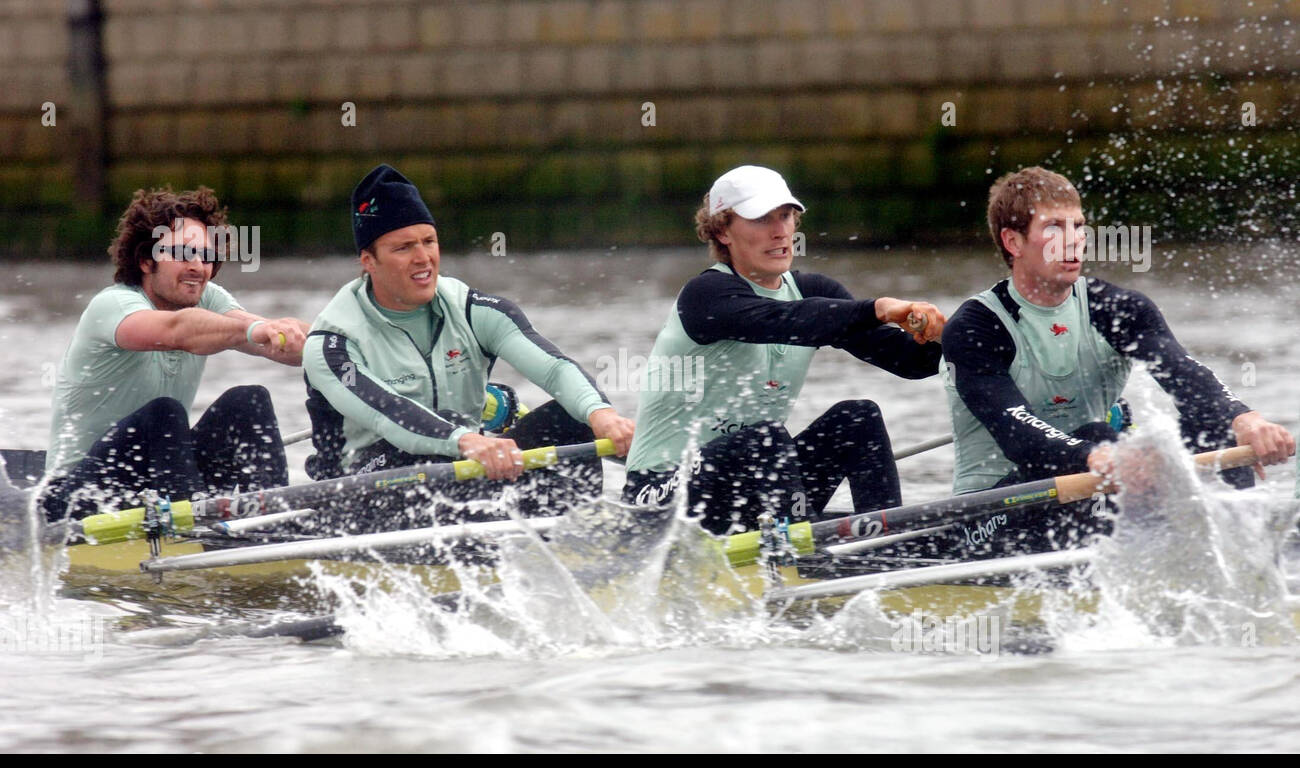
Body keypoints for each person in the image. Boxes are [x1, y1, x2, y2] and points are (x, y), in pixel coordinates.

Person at [941, 166, 1294, 546]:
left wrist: (1244, 419)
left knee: (1216, 427)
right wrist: (1096, 455)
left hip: (1096, 484)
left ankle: (1242, 550)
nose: (1073, 241)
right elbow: (1017, 433)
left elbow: (1183, 373)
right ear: (1014, 242)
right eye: (1054, 228)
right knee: (1101, 436)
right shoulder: (975, 328)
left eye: (1078, 227)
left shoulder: (1117, 308)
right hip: (992, 513)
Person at [622, 165, 946, 535]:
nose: (780, 231)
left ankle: (886, 549)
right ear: (723, 230)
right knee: (765, 438)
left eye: (787, 216)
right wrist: (877, 309)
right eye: (762, 219)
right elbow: (787, 320)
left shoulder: (812, 291)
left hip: (754, 489)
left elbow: (912, 361)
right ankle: (796, 560)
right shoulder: (705, 297)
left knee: (858, 418)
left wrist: (957, 334)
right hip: (658, 496)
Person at [301, 164, 634, 523]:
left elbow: (554, 369)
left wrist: (602, 415)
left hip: (460, 465)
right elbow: (390, 414)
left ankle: (569, 538)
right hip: (359, 491)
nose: (423, 258)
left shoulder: (474, 310)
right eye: (403, 247)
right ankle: (495, 543)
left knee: (570, 416)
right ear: (369, 262)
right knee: (433, 443)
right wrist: (465, 440)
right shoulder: (331, 344)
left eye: (429, 241)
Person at [43, 186, 310, 521]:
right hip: (75, 496)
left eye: (206, 256)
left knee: (249, 400)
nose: (198, 267)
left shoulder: (207, 297)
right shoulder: (112, 305)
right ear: (145, 259)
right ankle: (191, 532)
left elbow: (279, 340)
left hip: (157, 485)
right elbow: (176, 331)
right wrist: (252, 330)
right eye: (183, 253)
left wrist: (329, 345)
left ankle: (275, 521)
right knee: (164, 414)